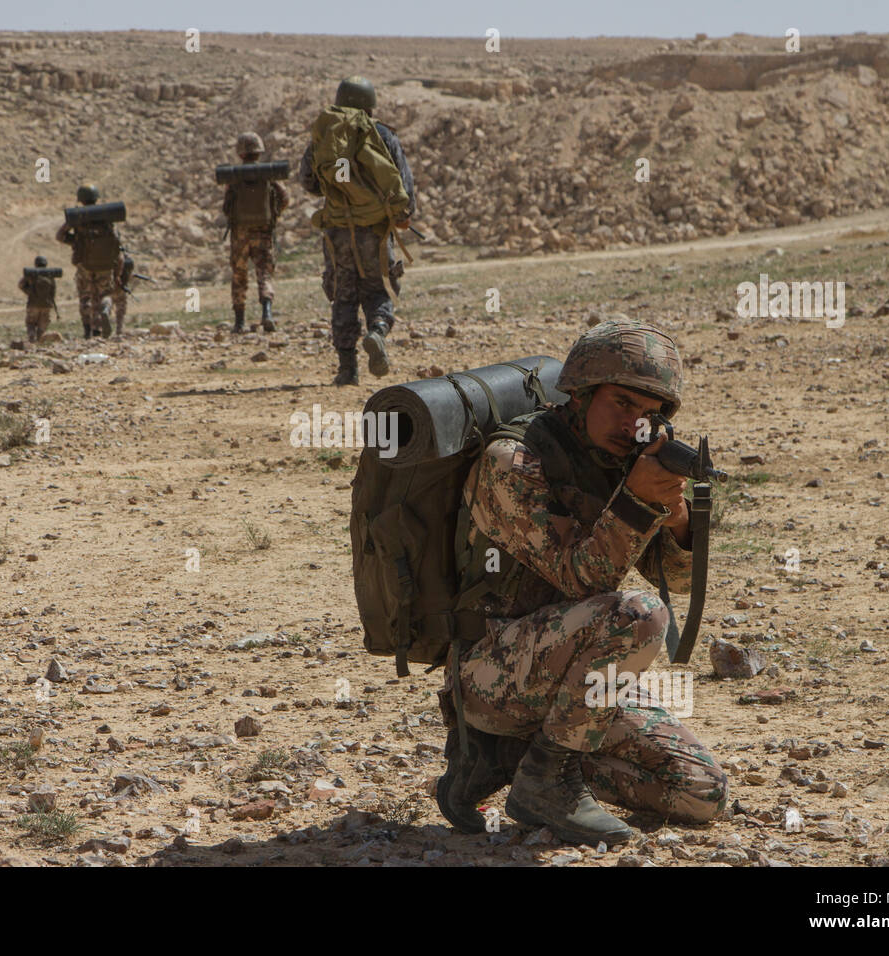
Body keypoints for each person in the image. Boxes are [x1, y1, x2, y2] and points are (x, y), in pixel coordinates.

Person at [435, 320, 729, 845]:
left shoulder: (620, 463)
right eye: (621, 403)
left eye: (648, 413)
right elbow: (582, 579)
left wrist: (677, 515)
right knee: (639, 616)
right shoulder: (513, 461)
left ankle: (523, 760)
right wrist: (638, 500)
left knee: (698, 793)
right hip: (491, 673)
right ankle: (547, 778)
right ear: (582, 393)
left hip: (576, 681)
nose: (633, 423)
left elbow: (678, 581)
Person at [299, 76, 415, 385]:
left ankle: (346, 369)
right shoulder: (382, 135)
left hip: (337, 231)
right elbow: (402, 181)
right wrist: (404, 214)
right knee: (379, 290)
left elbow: (309, 183)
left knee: (343, 295)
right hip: (374, 232)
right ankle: (377, 331)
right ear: (370, 103)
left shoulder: (325, 135)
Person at [223, 132, 289, 333]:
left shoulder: (234, 176)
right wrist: (274, 215)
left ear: (241, 153)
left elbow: (227, 207)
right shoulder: (268, 174)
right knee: (264, 273)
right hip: (264, 232)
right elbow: (284, 198)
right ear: (259, 151)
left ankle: (239, 322)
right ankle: (267, 314)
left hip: (240, 234)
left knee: (239, 275)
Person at [55, 184, 121, 338]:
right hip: (105, 265)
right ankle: (102, 315)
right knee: (105, 294)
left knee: (85, 296)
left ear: (81, 199)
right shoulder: (108, 216)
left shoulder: (77, 217)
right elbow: (117, 243)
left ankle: (87, 330)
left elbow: (60, 236)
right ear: (96, 197)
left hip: (85, 265)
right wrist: (117, 272)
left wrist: (75, 242)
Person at [18, 255, 58, 343]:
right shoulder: (50, 275)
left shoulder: (31, 274)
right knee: (42, 326)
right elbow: (53, 290)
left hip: (33, 304)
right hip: (46, 305)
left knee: (31, 323)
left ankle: (32, 339)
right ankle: (40, 341)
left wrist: (29, 292)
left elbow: (20, 285)